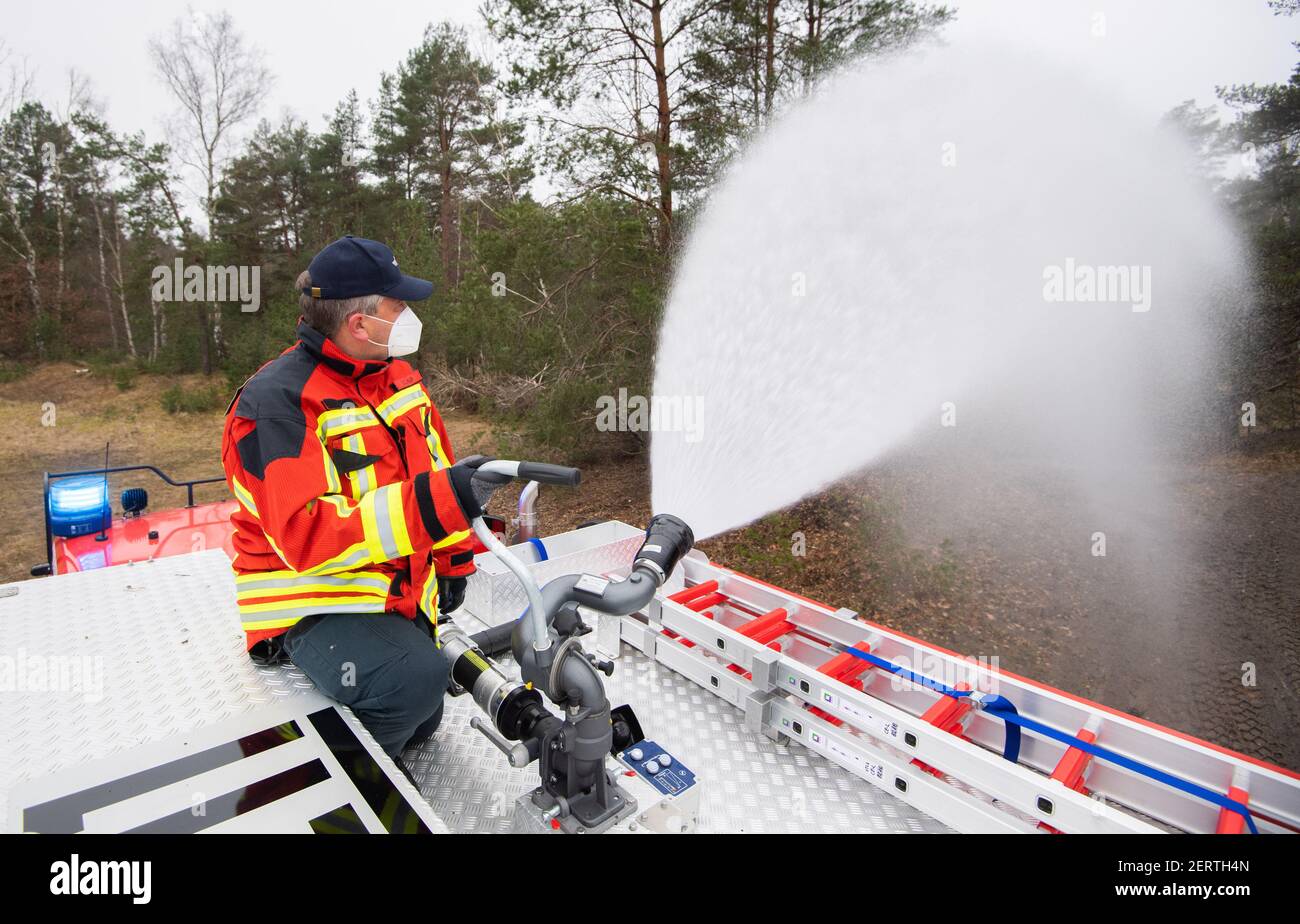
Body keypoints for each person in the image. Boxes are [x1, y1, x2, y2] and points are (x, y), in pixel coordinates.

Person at [220, 235, 496, 758]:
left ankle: (379, 730)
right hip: (308, 603)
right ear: (360, 323)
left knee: (424, 713)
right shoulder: (276, 403)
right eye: (399, 305)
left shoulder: (395, 378)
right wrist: (445, 499)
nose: (410, 314)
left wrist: (454, 562)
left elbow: (432, 470)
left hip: (385, 589)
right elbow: (307, 535)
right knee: (411, 682)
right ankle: (339, 786)